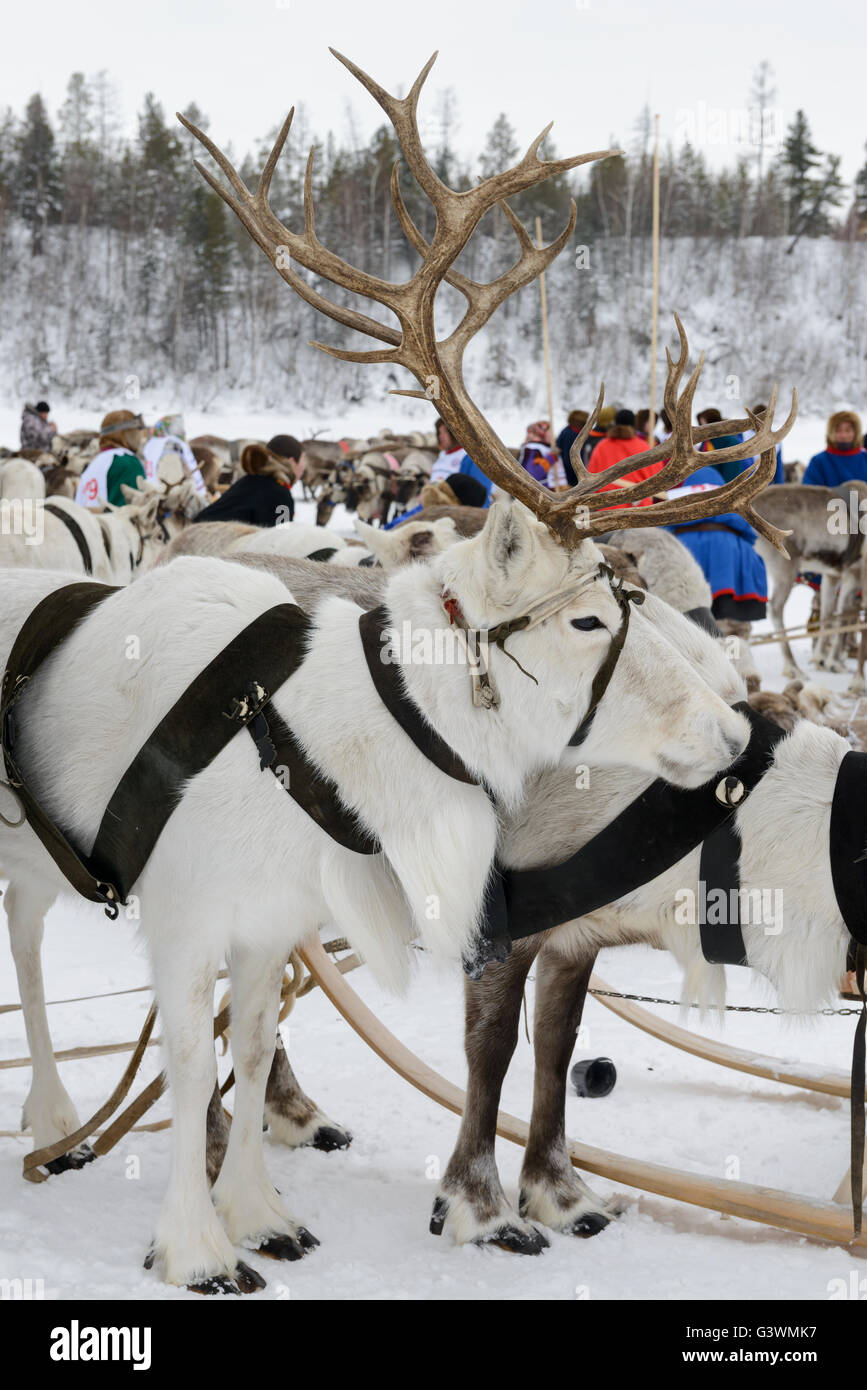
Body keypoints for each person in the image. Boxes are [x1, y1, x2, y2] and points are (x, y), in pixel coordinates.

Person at [666, 464, 768, 622]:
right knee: (731, 631)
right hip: (730, 581)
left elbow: (661, 531)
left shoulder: (673, 515)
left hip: (685, 574)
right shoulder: (736, 518)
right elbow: (751, 535)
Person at [192, 436, 304, 526]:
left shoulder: (249, 481)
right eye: (303, 461)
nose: (304, 467)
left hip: (195, 538)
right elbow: (281, 540)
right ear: (292, 461)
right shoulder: (280, 495)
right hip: (209, 548)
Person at [585, 408, 660, 508]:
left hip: (608, 505)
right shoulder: (644, 446)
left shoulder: (601, 446)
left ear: (615, 423)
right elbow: (657, 476)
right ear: (633, 425)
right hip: (638, 508)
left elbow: (591, 476)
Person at [74, 411, 148, 508]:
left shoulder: (96, 462)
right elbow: (132, 514)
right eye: (137, 430)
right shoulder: (128, 463)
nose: (141, 435)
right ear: (127, 434)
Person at [142, 413, 208, 497]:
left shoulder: (153, 446)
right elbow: (176, 478)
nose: (182, 431)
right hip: (174, 495)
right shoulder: (172, 449)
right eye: (178, 427)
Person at [429, 418, 492, 501]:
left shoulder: (469, 457)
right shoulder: (442, 455)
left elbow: (481, 494)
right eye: (439, 432)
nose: (441, 436)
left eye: (445, 432)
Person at [803, 410, 867, 487]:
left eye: (848, 430)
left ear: (856, 432)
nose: (843, 435)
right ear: (831, 432)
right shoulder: (819, 462)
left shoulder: (864, 458)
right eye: (838, 430)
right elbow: (809, 492)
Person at [696, 407, 753, 482]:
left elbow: (732, 470)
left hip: (723, 485)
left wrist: (726, 486)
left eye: (703, 421)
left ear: (710, 421)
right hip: (709, 483)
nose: (701, 425)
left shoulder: (728, 441)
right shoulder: (707, 440)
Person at [519, 420, 566, 489]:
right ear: (541, 433)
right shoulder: (534, 449)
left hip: (557, 491)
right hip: (542, 493)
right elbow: (532, 475)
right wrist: (551, 457)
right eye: (549, 432)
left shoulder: (549, 448)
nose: (552, 435)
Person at [748, 403, 784, 484]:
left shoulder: (743, 437)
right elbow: (778, 469)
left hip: (764, 483)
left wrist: (779, 487)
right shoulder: (744, 437)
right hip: (752, 482)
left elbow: (778, 468)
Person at [556, 409, 588, 487]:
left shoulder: (567, 430)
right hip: (573, 476)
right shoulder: (571, 434)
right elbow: (569, 459)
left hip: (572, 473)